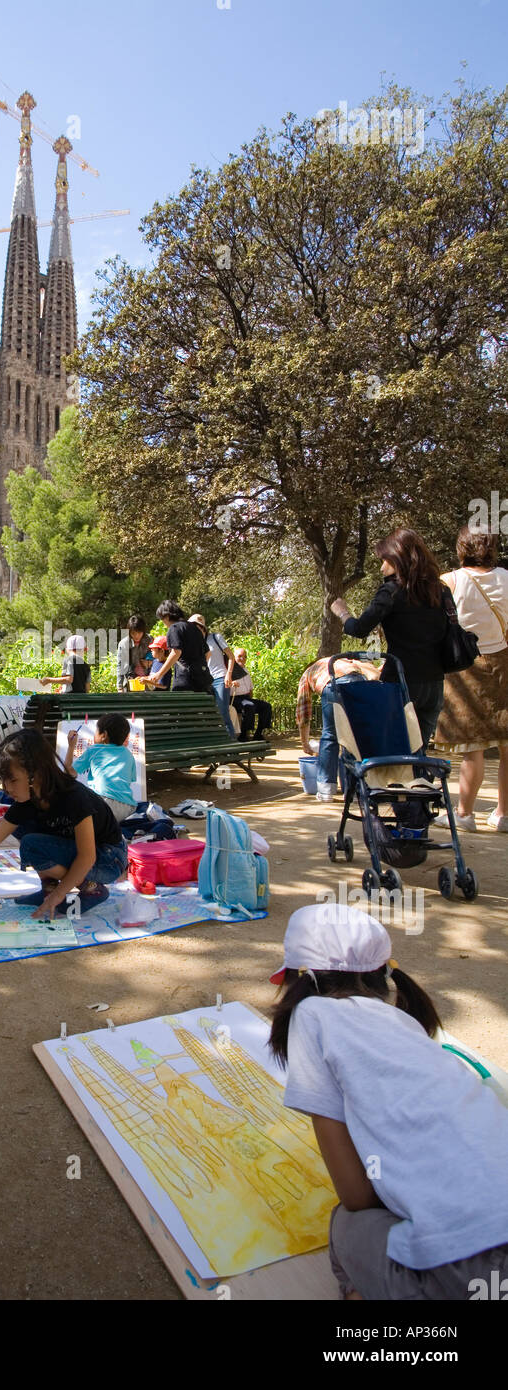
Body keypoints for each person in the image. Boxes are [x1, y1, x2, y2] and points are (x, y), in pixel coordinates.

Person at [269, 903, 508, 1301]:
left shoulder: (312, 1016)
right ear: (384, 978)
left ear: (302, 979)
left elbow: (357, 1196)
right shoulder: (406, 1024)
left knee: (345, 1225)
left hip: (476, 1269)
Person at [0, 729, 128, 917]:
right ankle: (48, 889)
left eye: (12, 780)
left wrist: (60, 895)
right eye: (4, 780)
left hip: (109, 858)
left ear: (34, 774)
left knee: (32, 843)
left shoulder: (73, 797)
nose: (6, 788)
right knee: (25, 830)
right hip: (86, 854)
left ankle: (91, 888)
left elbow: (87, 855)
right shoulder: (30, 799)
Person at [331, 529, 450, 751]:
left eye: (384, 560)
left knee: (395, 747)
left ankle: (395, 784)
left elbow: (359, 629)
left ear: (398, 559)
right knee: (419, 748)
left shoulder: (392, 591)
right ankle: (421, 782)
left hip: (402, 679)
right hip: (434, 682)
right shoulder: (440, 591)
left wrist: (342, 612)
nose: (381, 567)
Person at [433, 526, 508, 832]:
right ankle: (503, 814)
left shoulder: (449, 581)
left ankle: (465, 814)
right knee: (506, 745)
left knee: (472, 748)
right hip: (504, 663)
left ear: (461, 547)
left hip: (464, 666)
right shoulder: (506, 577)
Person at [296, 656, 381, 801]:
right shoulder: (339, 660)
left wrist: (305, 743)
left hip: (335, 684)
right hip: (360, 682)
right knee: (354, 737)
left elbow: (303, 713)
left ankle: (325, 791)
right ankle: (354, 789)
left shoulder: (308, 672)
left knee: (330, 735)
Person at [64, 713, 137, 823]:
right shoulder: (129, 754)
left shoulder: (94, 750)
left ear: (104, 735)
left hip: (102, 806)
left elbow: (69, 773)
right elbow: (128, 781)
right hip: (128, 808)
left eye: (96, 731)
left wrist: (71, 746)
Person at [146, 602, 212, 693]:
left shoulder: (174, 628)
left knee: (181, 706)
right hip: (203, 680)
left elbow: (176, 652)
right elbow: (208, 653)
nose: (163, 623)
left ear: (167, 616)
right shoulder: (194, 628)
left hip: (186, 681)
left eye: (162, 619)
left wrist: (158, 675)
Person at [189, 614, 236, 736]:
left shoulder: (215, 637)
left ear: (203, 628)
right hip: (204, 682)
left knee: (223, 713)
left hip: (220, 678)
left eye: (199, 627)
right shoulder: (193, 643)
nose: (196, 629)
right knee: (208, 715)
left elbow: (231, 657)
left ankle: (232, 747)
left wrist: (228, 675)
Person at [228, 648, 273, 740]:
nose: (242, 659)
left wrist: (250, 698)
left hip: (246, 698)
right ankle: (243, 735)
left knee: (266, 706)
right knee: (249, 706)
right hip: (234, 698)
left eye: (245, 657)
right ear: (234, 657)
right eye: (240, 656)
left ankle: (258, 734)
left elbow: (250, 689)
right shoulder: (229, 669)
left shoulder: (246, 670)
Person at [116, 616, 151, 692]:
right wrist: (119, 686)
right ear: (129, 632)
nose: (136, 636)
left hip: (148, 681)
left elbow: (156, 656)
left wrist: (150, 660)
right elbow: (120, 665)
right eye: (133, 633)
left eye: (139, 632)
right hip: (130, 682)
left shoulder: (149, 639)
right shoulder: (124, 644)